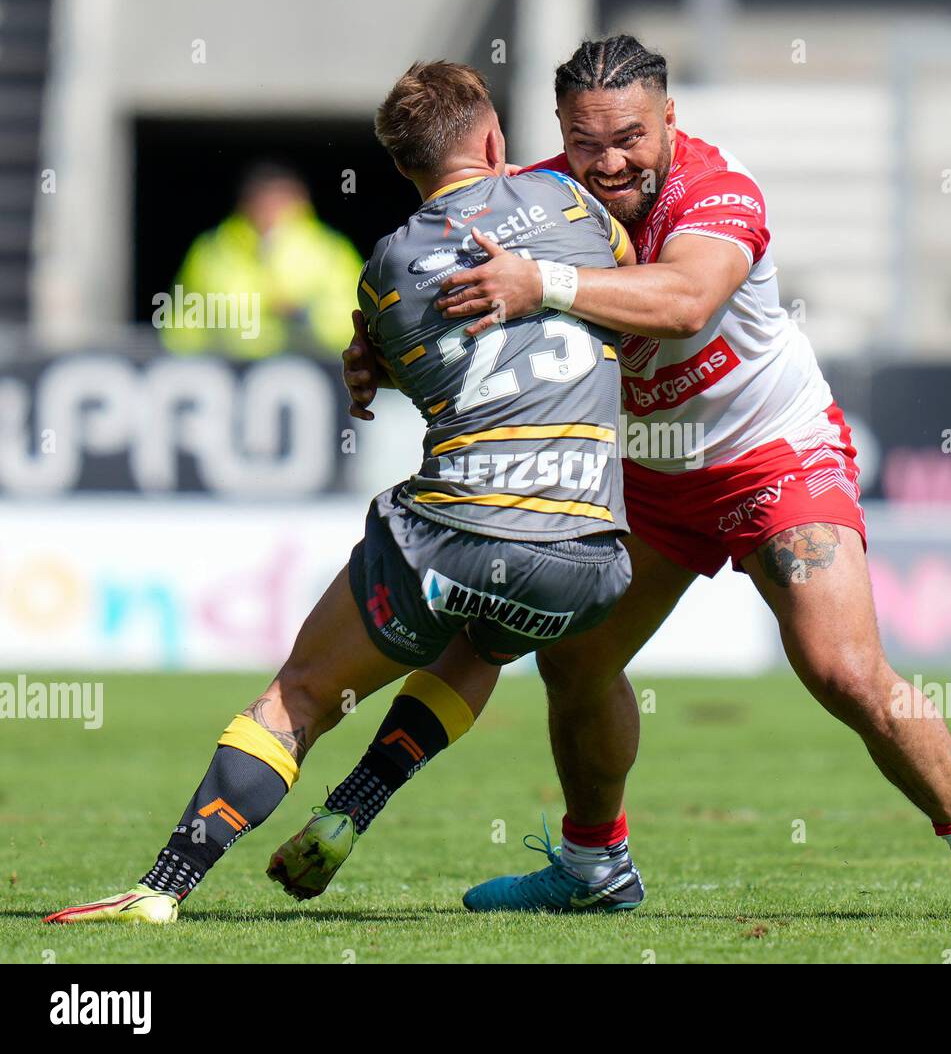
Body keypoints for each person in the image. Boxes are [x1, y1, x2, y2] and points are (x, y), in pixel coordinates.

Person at [337, 36, 951, 923]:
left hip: (769, 456)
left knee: (843, 669)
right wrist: (378, 358)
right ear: (557, 129)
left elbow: (684, 302)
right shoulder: (544, 200)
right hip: (645, 479)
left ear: (670, 118)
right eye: (586, 141)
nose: (609, 162)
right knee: (574, 662)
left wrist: (544, 283)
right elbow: (470, 320)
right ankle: (596, 868)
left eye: (630, 136)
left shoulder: (717, 187)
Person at [44, 60, 637, 925]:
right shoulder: (584, 212)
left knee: (303, 695)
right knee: (480, 643)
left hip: (460, 537)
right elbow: (614, 299)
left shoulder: (389, 267)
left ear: (404, 170)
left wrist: (376, 361)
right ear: (497, 141)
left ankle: (161, 888)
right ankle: (352, 807)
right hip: (590, 564)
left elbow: (421, 366)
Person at [161, 163, 361, 358]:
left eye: (281, 202)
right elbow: (180, 327)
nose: (270, 212)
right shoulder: (210, 251)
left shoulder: (331, 251)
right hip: (229, 377)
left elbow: (356, 324)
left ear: (302, 202)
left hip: (310, 373)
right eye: (262, 202)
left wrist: (303, 316)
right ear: (244, 204)